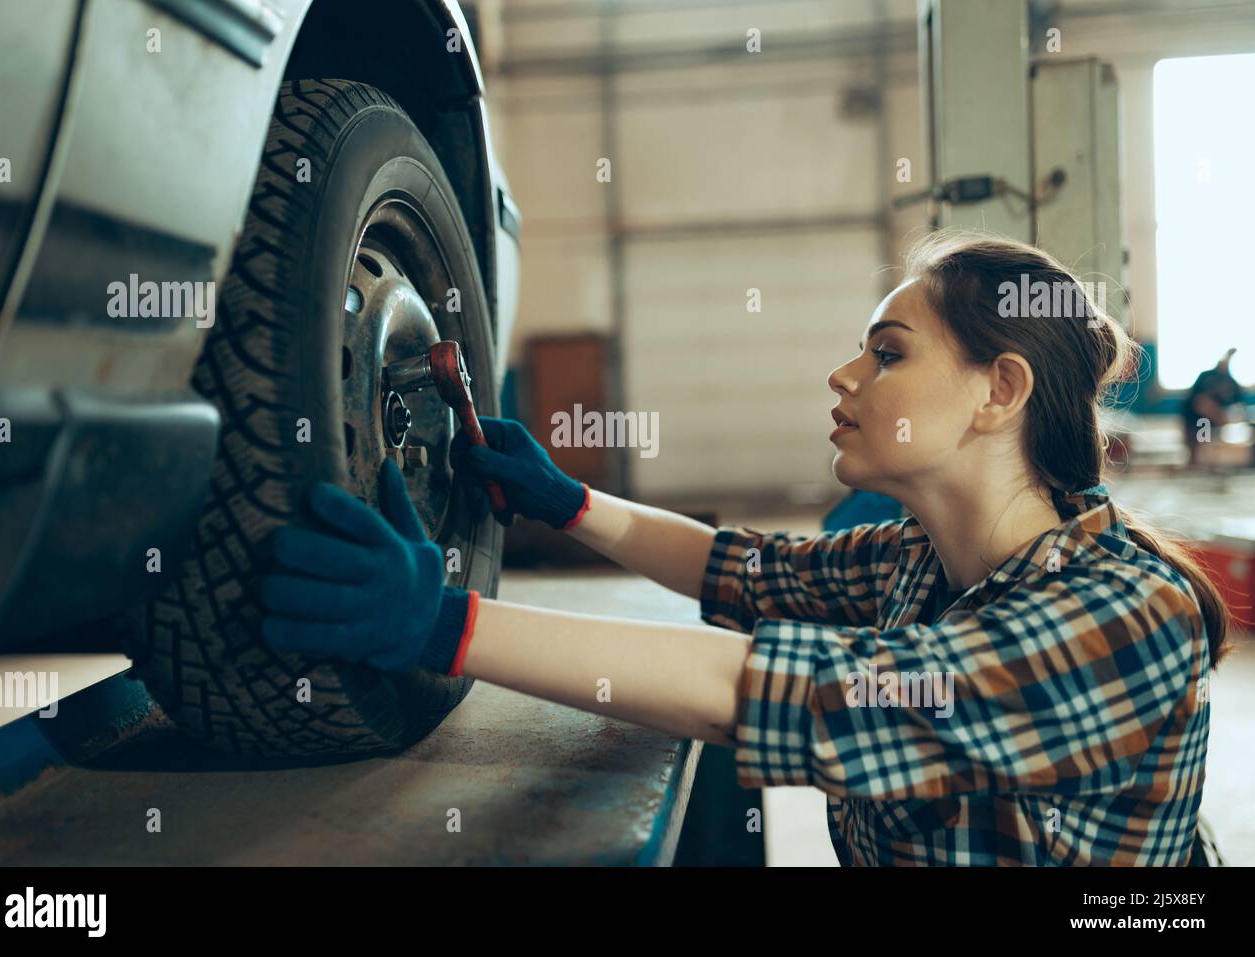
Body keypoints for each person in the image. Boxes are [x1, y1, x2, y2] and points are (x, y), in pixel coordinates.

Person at [258, 232, 1229, 866]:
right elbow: (743, 571)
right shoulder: (914, 561)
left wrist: (447, 627)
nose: (844, 375)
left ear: (998, 390)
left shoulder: (1127, 615)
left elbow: (799, 693)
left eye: (887, 353)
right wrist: (565, 502)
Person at [1181, 347, 1248, 466]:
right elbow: (1200, 403)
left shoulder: (1231, 382)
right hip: (1197, 421)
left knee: (1208, 452)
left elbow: (1239, 408)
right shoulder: (1206, 377)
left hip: (1213, 425)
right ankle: (1195, 467)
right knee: (1197, 453)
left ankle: (1203, 468)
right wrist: (1217, 414)